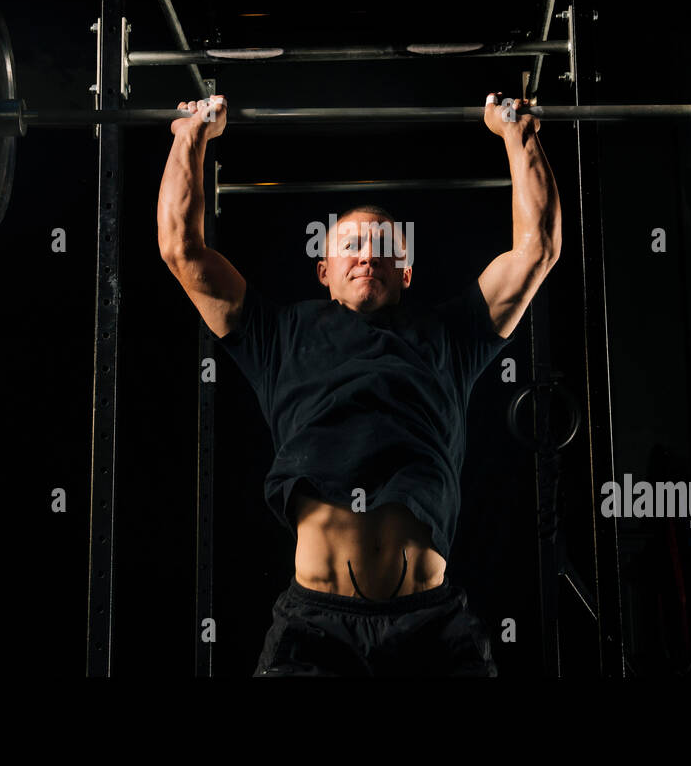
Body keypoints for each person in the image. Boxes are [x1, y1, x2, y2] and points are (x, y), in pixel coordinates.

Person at [157, 93, 561, 675]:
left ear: (407, 269)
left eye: (383, 246)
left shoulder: (452, 333)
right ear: (323, 270)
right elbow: (181, 248)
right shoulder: (280, 335)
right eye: (349, 244)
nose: (366, 256)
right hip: (313, 629)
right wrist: (189, 135)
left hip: (432, 625)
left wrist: (516, 135)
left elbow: (537, 250)